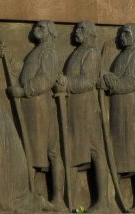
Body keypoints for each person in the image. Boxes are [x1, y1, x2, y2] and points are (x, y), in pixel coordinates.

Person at [2, 21, 63, 208]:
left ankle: (56, 198)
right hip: (31, 105)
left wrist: (23, 90)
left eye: (41, 27)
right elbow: (25, 71)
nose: (35, 29)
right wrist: (9, 57)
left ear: (51, 32)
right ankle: (30, 194)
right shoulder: (38, 51)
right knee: (32, 148)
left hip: (39, 105)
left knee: (40, 150)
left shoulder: (49, 51)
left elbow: (45, 79)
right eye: (34, 27)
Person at [54, 21, 111, 211]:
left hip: (86, 108)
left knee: (95, 151)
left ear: (89, 33)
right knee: (69, 152)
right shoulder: (77, 53)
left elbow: (87, 81)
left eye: (80, 29)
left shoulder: (91, 53)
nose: (76, 33)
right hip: (74, 109)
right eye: (76, 29)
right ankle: (66, 200)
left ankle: (103, 201)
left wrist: (67, 83)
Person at [101, 23, 135, 213]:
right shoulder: (120, 56)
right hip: (118, 110)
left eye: (126, 33)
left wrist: (112, 82)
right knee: (120, 151)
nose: (122, 37)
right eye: (121, 33)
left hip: (132, 109)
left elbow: (134, 81)